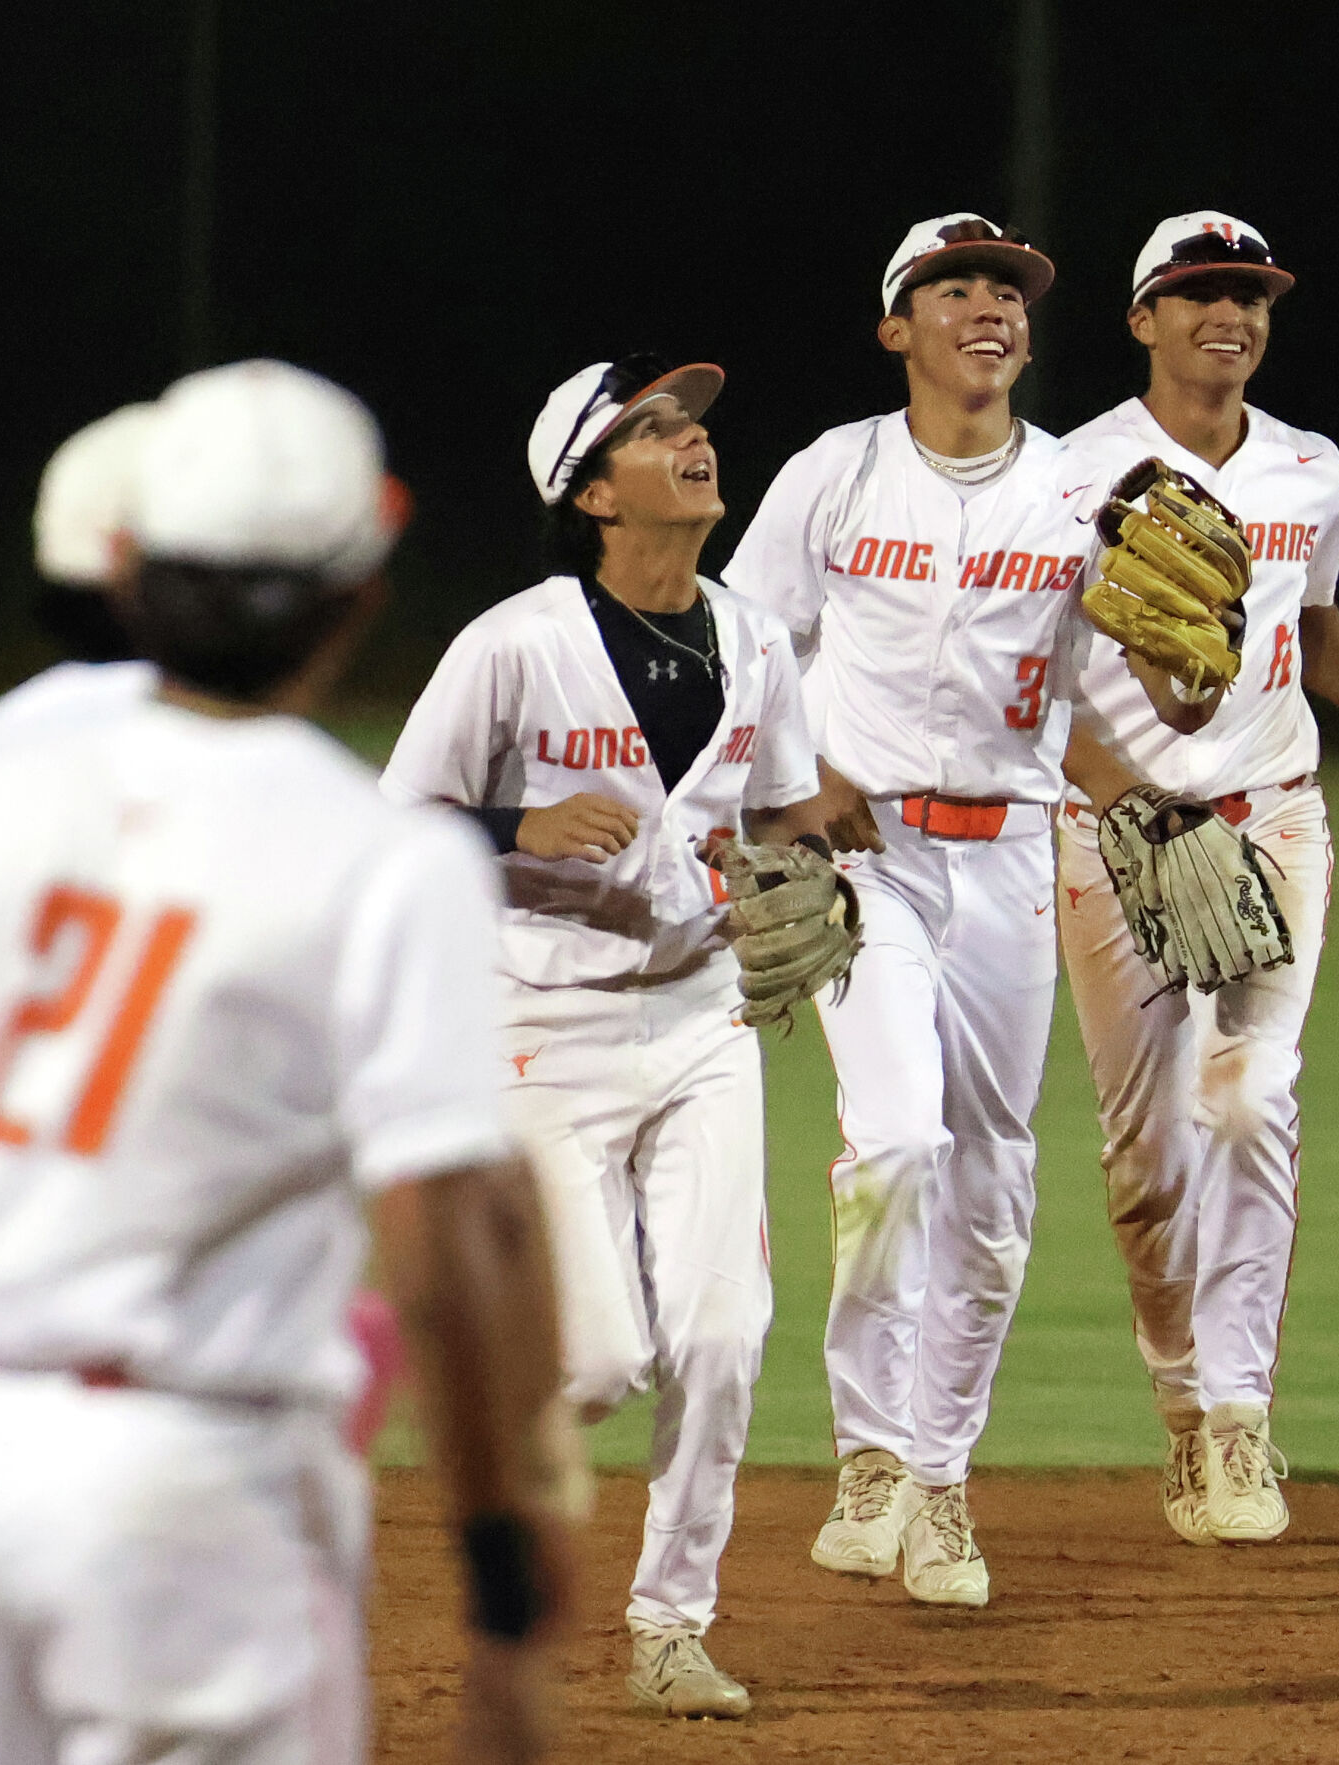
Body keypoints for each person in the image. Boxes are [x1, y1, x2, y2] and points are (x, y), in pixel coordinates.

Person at [0, 359, 571, 1765]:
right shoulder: (384, 856)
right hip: (193, 1487)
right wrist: (502, 1584)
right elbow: (441, 1247)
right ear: (360, 596)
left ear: (132, 570)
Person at [381, 357, 823, 1718]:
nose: (693, 440)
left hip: (702, 1020)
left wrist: (803, 880)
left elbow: (780, 820)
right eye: (654, 429)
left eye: (692, 423)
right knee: (596, 1360)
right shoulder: (512, 644)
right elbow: (395, 824)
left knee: (725, 1333)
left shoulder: (757, 641)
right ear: (591, 493)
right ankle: (493, 1459)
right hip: (542, 1025)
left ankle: (672, 1624)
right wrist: (515, 825)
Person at [724, 215, 1104, 1607]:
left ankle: (944, 1477)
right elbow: (744, 642)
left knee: (993, 1183)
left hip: (1012, 860)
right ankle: (873, 1453)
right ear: (898, 328)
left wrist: (1204, 667)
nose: (989, 306)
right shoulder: (836, 472)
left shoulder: (1081, 493)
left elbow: (1153, 689)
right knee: (894, 1143)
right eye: (955, 287)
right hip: (865, 858)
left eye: (1008, 289)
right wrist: (795, 784)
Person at [1058, 213, 1339, 1544]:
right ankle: (1183, 1410)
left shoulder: (1308, 465)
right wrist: (1119, 794)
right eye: (1201, 293)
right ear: (1143, 319)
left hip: (1274, 811)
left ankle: (1237, 1419)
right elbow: (1031, 672)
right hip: (1114, 831)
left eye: (1252, 297)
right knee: (1145, 1158)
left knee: (1248, 1093)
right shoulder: (1070, 474)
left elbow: (1308, 619)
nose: (1231, 314)